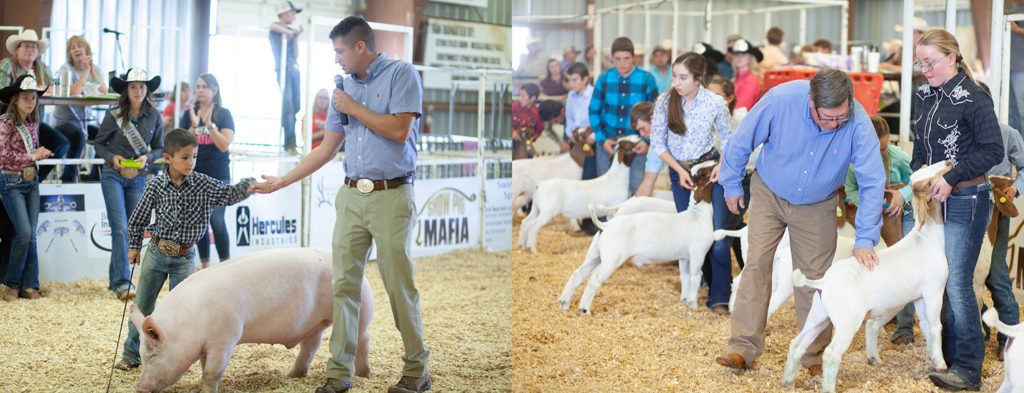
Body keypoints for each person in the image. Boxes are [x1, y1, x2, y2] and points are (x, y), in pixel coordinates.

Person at [249, 16, 430, 393]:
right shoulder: (343, 88)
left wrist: (353, 106)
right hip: (351, 196)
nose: (336, 59)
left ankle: (417, 370)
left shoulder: (401, 75)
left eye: (340, 51)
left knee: (399, 286)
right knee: (343, 285)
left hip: (392, 194)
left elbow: (400, 130)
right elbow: (327, 148)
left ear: (360, 46)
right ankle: (339, 373)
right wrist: (283, 180)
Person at [715, 68, 885, 377]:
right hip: (769, 191)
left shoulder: (858, 121)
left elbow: (872, 180)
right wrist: (731, 184)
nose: (834, 124)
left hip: (818, 202)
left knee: (815, 277)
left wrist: (865, 238)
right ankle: (742, 347)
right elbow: (741, 141)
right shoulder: (780, 100)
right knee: (756, 264)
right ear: (811, 102)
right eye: (827, 118)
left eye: (841, 117)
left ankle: (813, 354)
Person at [114, 128, 255, 370]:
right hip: (156, 253)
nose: (191, 162)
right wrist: (135, 246)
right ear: (167, 158)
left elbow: (229, 194)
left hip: (185, 256)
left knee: (182, 311)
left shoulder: (203, 184)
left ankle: (174, 358)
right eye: (185, 157)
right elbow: (138, 218)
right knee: (143, 305)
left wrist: (251, 184)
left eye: (194, 157)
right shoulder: (156, 185)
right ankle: (131, 354)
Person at [910, 29, 1004, 391]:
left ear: (952, 58)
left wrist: (952, 178)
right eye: (920, 63)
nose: (925, 70)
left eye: (930, 62)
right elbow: (920, 145)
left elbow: (993, 150)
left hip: (967, 197)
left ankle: (968, 369)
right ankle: (948, 357)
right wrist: (919, 175)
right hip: (933, 199)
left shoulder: (975, 97)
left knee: (959, 282)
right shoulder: (923, 95)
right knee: (940, 278)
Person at [649, 52, 733, 314]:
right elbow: (657, 143)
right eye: (675, 76)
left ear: (699, 78)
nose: (677, 82)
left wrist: (720, 165)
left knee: (718, 234)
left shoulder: (715, 102)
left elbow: (729, 139)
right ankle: (704, 283)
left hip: (709, 173)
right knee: (692, 234)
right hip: (680, 174)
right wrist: (677, 170)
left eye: (683, 77)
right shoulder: (664, 101)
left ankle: (720, 296)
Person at [94, 68, 165, 300]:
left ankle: (116, 279)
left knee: (131, 229)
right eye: (133, 86)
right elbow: (99, 143)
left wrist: (148, 157)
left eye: (142, 86)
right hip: (113, 174)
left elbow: (160, 148)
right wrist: (111, 156)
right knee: (120, 228)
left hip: (138, 177)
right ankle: (123, 282)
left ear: (147, 90)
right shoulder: (114, 113)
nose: (138, 91)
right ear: (126, 90)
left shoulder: (154, 116)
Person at [975, 81, 1023, 363]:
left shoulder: (1007, 133)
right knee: (967, 276)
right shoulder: (959, 134)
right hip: (965, 211)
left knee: (995, 273)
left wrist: (1015, 188)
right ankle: (980, 328)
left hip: (996, 209)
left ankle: (1010, 336)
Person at [0, 75, 52, 301]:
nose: (30, 102)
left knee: (30, 235)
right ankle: (12, 284)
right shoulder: (5, 123)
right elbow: (3, 155)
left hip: (31, 180)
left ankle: (30, 285)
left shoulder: (32, 122)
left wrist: (37, 154)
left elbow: (25, 154)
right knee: (24, 233)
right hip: (11, 181)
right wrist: (33, 156)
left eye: (33, 98)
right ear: (15, 99)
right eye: (25, 97)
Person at [588, 37, 659, 195]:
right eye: (617, 59)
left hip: (636, 142)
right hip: (608, 141)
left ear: (634, 57)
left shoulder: (647, 79)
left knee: (637, 186)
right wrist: (602, 139)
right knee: (604, 190)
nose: (622, 64)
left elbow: (656, 114)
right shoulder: (604, 79)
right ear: (612, 58)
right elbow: (593, 111)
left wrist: (646, 141)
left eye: (626, 58)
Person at [179, 73, 235, 270]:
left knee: (217, 220)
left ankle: (226, 265)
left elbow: (224, 145)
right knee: (200, 222)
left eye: (204, 87)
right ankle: (205, 265)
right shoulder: (189, 114)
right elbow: (182, 146)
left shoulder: (223, 114)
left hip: (219, 176)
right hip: (195, 176)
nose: (200, 90)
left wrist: (210, 125)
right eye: (198, 86)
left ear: (214, 90)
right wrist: (194, 126)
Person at [1, 29, 69, 181]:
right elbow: (1, 90)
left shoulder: (41, 66)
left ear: (38, 52)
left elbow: (53, 87)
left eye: (34, 47)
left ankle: (36, 177)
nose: (30, 50)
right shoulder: (7, 65)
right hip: (11, 122)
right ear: (17, 50)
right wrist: (27, 90)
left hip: (34, 123)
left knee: (61, 143)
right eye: (25, 46)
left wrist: (39, 89)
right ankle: (16, 179)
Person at [706, 75, 751, 268]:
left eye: (717, 95)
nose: (711, 100)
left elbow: (753, 155)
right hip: (714, 180)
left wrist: (725, 163)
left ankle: (721, 281)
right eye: (708, 95)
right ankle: (743, 269)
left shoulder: (742, 119)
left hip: (741, 179)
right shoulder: (706, 119)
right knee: (727, 227)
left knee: (723, 231)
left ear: (730, 98)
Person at [52, 35, 107, 182]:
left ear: (87, 50)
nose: (77, 50)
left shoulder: (96, 69)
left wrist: (91, 70)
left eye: (80, 46)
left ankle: (94, 177)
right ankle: (67, 178)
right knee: (78, 136)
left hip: (84, 123)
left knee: (106, 136)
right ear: (69, 53)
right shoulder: (65, 69)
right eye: (72, 48)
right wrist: (85, 71)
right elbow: (75, 91)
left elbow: (104, 91)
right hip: (64, 122)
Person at [269, 0, 304, 154]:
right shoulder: (276, 28)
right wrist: (291, 33)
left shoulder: (290, 31)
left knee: (295, 107)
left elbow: (295, 55)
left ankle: (291, 143)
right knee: (288, 107)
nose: (294, 16)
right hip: (283, 72)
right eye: (292, 13)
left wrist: (295, 37)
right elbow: (273, 26)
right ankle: (289, 144)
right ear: (283, 13)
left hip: (294, 71)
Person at [630, 102, 659, 197]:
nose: (642, 134)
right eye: (639, 130)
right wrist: (634, 204)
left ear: (653, 119)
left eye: (643, 128)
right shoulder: (655, 144)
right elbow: (648, 180)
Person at [728, 39, 763, 112]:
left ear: (750, 58)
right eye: (737, 55)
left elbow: (742, 107)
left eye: (743, 55)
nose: (739, 58)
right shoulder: (735, 78)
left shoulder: (751, 79)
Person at [512, 83, 543, 154]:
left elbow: (539, 130)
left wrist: (533, 138)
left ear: (532, 98)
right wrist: (512, 131)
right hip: (511, 141)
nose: (519, 99)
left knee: (530, 154)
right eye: (520, 95)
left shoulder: (537, 114)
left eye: (523, 96)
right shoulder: (514, 107)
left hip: (525, 143)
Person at [1009, 19, 1024, 134]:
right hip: (1009, 68)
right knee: (1011, 112)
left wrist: (1017, 29)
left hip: (1020, 69)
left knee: (1021, 110)